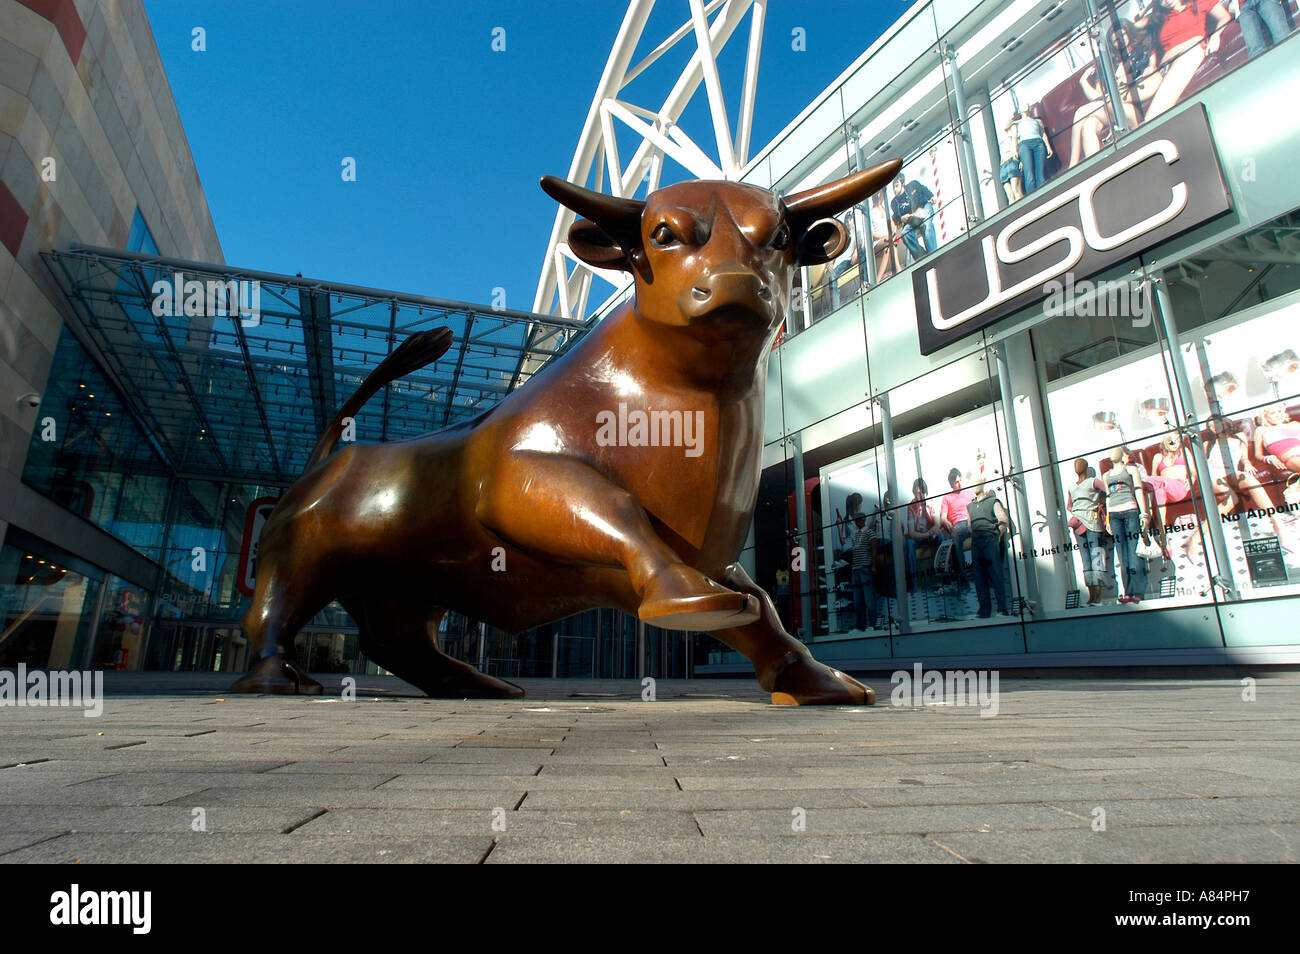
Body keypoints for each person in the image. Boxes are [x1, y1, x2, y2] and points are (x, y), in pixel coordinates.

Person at [1137, 0, 1233, 120]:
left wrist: (1216, 35)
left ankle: (1147, 129)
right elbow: (1135, 29)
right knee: (1113, 104)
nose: (1167, 2)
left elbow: (1224, 16)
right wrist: (1151, 65)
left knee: (1155, 113)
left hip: (1190, 54)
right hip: (1163, 68)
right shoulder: (1159, 16)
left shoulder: (1199, 2)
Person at [1104, 445, 1150, 603]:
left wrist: (1144, 513)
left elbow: (1138, 489)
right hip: (1115, 515)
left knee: (1134, 551)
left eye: (1116, 451)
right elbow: (1108, 497)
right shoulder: (1106, 475)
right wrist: (1108, 519)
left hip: (1130, 511)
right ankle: (1128, 592)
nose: (1113, 453)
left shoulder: (1131, 470)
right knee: (1122, 554)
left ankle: (1138, 591)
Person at [1066, 459, 1109, 605]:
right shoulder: (1071, 487)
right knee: (1085, 560)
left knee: (1096, 556)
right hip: (1078, 524)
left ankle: (1099, 596)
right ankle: (1091, 595)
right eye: (1076, 465)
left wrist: (1100, 504)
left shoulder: (1094, 481)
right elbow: (1069, 505)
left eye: (1080, 464)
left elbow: (1107, 491)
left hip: (1092, 522)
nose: (1077, 467)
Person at [967, 480, 1012, 618]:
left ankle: (1002, 609)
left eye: (977, 483)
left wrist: (997, 536)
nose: (974, 486)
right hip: (977, 542)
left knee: (996, 575)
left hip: (989, 540)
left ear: (982, 485)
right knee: (979, 577)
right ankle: (984, 610)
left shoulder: (993, 501)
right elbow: (970, 524)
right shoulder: (970, 506)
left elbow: (1003, 519)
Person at [939, 468, 975, 591]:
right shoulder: (947, 498)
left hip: (972, 521)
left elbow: (977, 507)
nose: (959, 484)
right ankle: (965, 582)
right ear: (951, 484)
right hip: (959, 525)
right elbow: (943, 518)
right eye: (956, 482)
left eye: (960, 480)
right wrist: (946, 522)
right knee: (956, 537)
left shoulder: (970, 493)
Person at [889, 174, 936, 264]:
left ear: (902, 183)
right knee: (905, 233)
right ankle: (922, 258)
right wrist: (902, 218)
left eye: (896, 186)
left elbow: (924, 190)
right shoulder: (894, 203)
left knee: (926, 224)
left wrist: (931, 196)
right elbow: (896, 217)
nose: (895, 189)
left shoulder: (913, 185)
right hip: (912, 220)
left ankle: (933, 254)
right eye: (893, 187)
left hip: (924, 208)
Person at [905, 478, 942, 590]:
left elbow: (937, 523)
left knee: (943, 538)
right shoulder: (911, 506)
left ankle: (946, 579)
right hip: (919, 537)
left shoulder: (930, 502)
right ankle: (914, 584)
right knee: (910, 544)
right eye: (917, 494)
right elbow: (911, 533)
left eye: (921, 494)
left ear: (925, 493)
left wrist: (932, 531)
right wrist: (926, 534)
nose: (919, 497)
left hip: (930, 535)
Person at [1004, 109, 1053, 194]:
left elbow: (1043, 134)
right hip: (1025, 145)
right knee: (1029, 174)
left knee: (1040, 173)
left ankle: (1043, 194)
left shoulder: (1037, 121)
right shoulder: (1017, 124)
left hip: (1038, 143)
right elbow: (1014, 138)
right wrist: (1015, 150)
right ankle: (1032, 196)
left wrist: (1048, 146)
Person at [849, 512, 878, 632]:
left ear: (860, 520)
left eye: (856, 520)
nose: (855, 522)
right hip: (855, 569)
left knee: (868, 598)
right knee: (858, 600)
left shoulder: (870, 532)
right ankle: (860, 625)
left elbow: (874, 550)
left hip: (865, 568)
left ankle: (871, 623)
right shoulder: (856, 535)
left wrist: (874, 566)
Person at [1255, 403, 1300, 475]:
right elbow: (1258, 455)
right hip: (1292, 457)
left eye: (1279, 411)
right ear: (1265, 416)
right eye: (1272, 413)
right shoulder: (1261, 430)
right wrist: (1270, 458)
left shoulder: (1295, 424)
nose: (1278, 415)